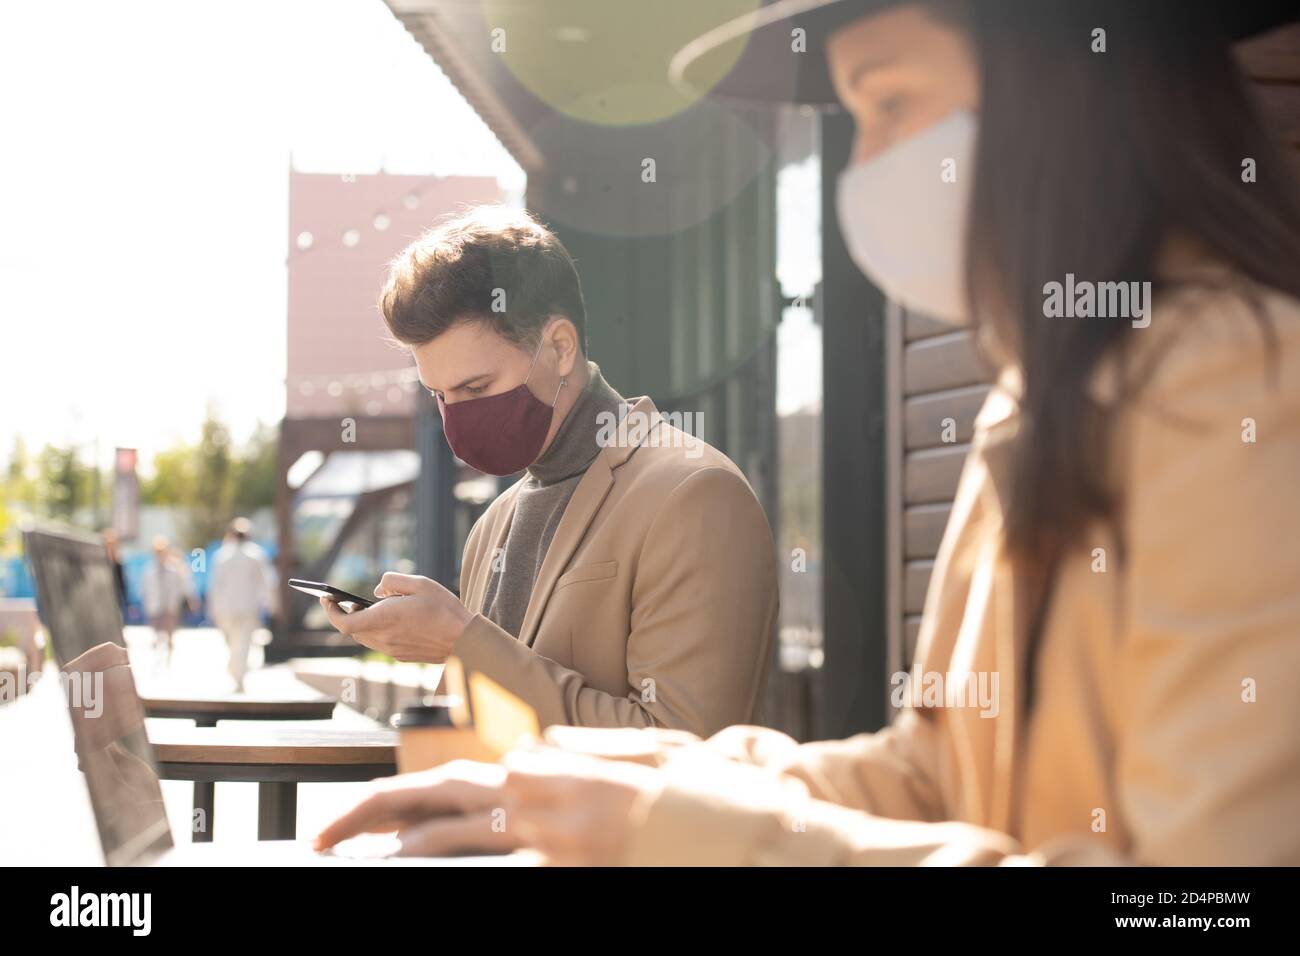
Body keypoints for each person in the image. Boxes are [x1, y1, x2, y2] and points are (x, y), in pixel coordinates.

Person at [315, 0, 1300, 865]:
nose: (864, 169)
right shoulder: (1036, 399)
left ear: (1068, 85)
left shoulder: (1242, 394)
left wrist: (682, 831)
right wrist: (611, 788)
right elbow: (931, 770)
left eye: (890, 105)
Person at [319, 206, 778, 737]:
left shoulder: (696, 494)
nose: (458, 418)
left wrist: (461, 641)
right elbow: (474, 740)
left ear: (560, 348)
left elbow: (684, 748)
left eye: (476, 389)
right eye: (439, 397)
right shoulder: (494, 522)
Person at [207, 517, 274, 691]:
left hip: (227, 608)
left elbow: (215, 586)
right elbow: (267, 581)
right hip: (247, 607)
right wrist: (269, 602)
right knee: (242, 643)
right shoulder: (255, 554)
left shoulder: (223, 555)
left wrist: (213, 608)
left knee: (236, 642)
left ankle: (237, 674)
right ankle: (237, 672)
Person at [140, 537, 194, 664]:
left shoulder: (174, 569)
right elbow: (144, 589)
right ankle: (157, 655)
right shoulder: (149, 570)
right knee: (156, 632)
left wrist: (188, 599)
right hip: (155, 606)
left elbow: (183, 586)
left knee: (170, 632)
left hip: (170, 606)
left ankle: (168, 656)